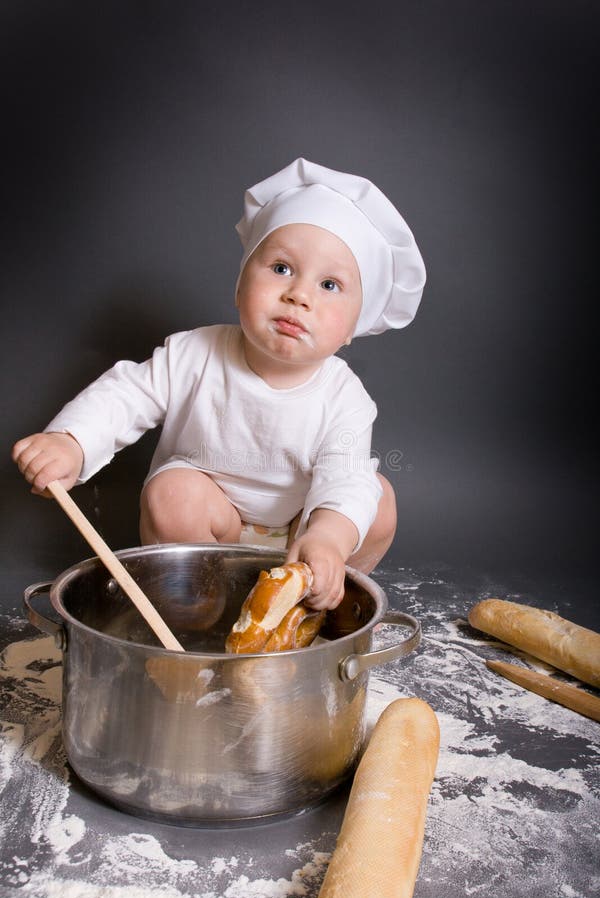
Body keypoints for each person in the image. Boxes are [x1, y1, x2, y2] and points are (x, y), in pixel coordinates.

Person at [12, 158, 426, 610]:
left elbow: (344, 479)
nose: (299, 295)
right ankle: (198, 611)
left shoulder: (343, 397)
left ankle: (319, 599)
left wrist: (327, 538)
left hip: (298, 537)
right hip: (207, 532)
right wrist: (72, 441)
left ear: (353, 327)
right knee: (173, 493)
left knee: (377, 500)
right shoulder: (194, 353)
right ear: (239, 283)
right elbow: (126, 395)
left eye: (329, 284)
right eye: (282, 268)